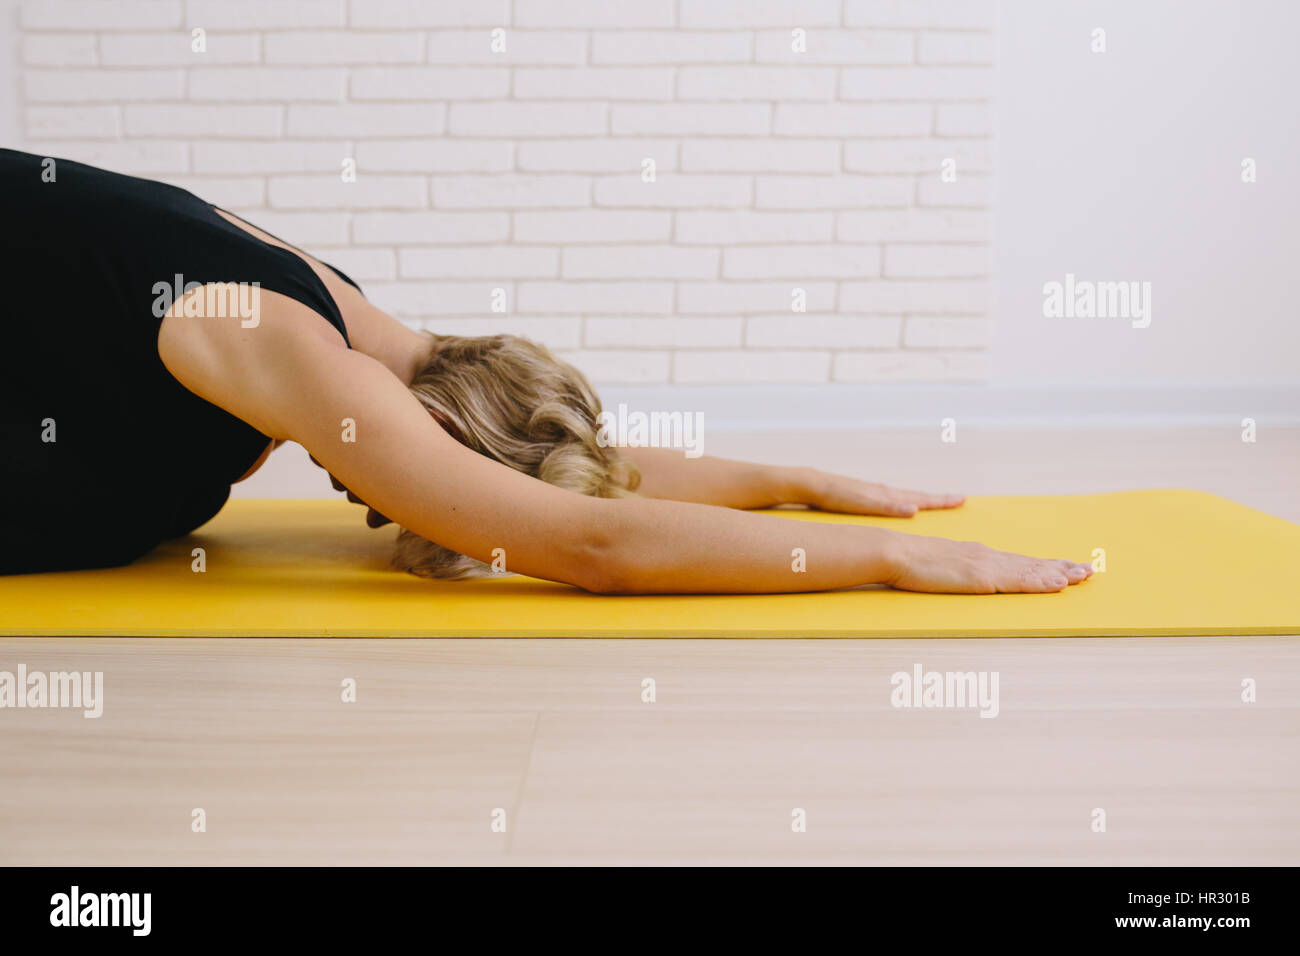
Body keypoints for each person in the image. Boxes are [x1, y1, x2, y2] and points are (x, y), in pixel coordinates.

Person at [0, 149, 1093, 593]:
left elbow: (582, 482)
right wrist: (887, 562)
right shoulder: (312, 359)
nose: (390, 502)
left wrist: (786, 477)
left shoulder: (331, 298)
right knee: (161, 498)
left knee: (176, 489)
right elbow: (590, 541)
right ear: (437, 425)